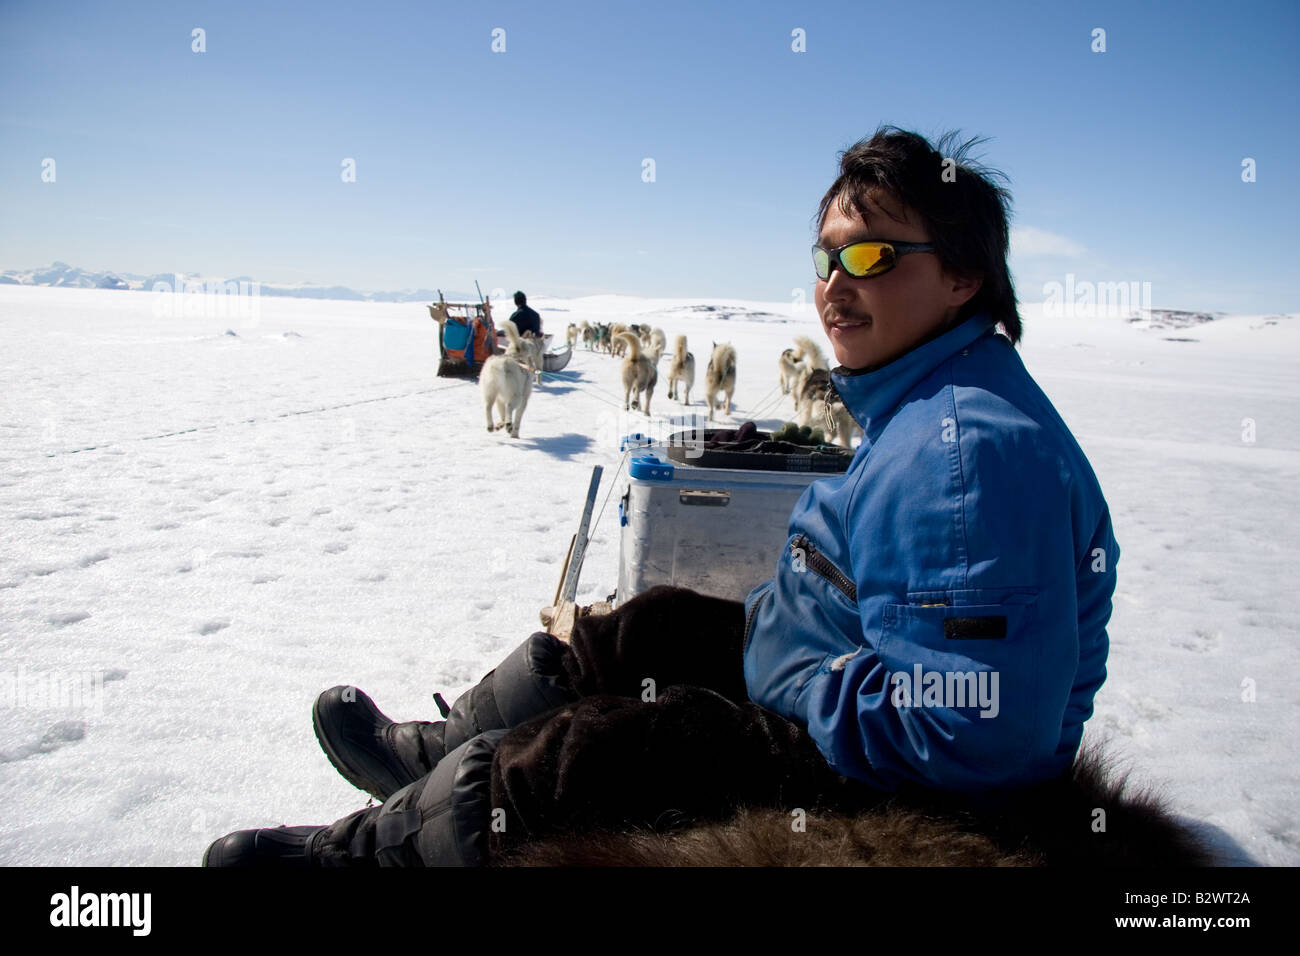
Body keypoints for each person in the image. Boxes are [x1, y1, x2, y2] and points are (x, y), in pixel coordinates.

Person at [203, 126, 1119, 867]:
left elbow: (978, 726)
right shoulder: (924, 401)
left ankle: (378, 856)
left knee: (619, 748)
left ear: (963, 277)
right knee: (652, 627)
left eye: (874, 256)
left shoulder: (970, 453)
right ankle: (435, 760)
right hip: (840, 681)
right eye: (827, 258)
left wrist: (795, 682)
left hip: (910, 783)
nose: (835, 288)